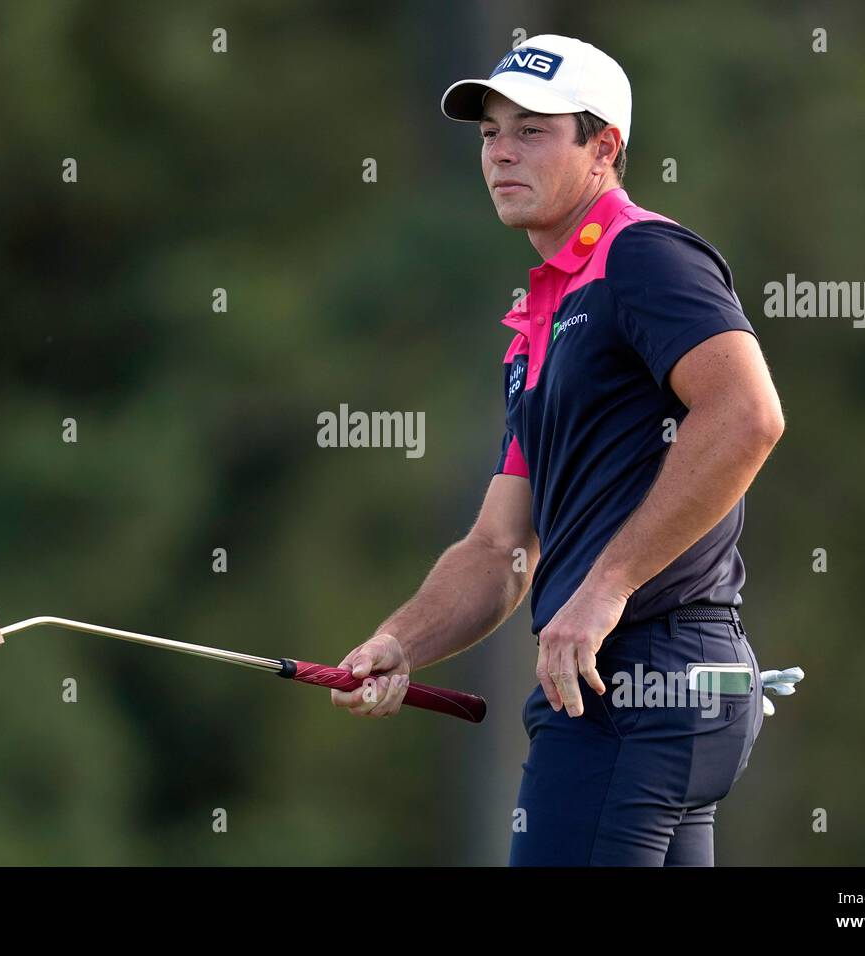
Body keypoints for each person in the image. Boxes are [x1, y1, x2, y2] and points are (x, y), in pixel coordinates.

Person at [331, 34, 785, 866]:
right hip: (658, 691)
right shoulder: (535, 328)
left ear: (603, 147)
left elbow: (747, 415)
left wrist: (604, 588)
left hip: (643, 678)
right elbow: (500, 547)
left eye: (532, 130)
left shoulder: (642, 255)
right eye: (489, 133)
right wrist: (402, 642)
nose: (501, 151)